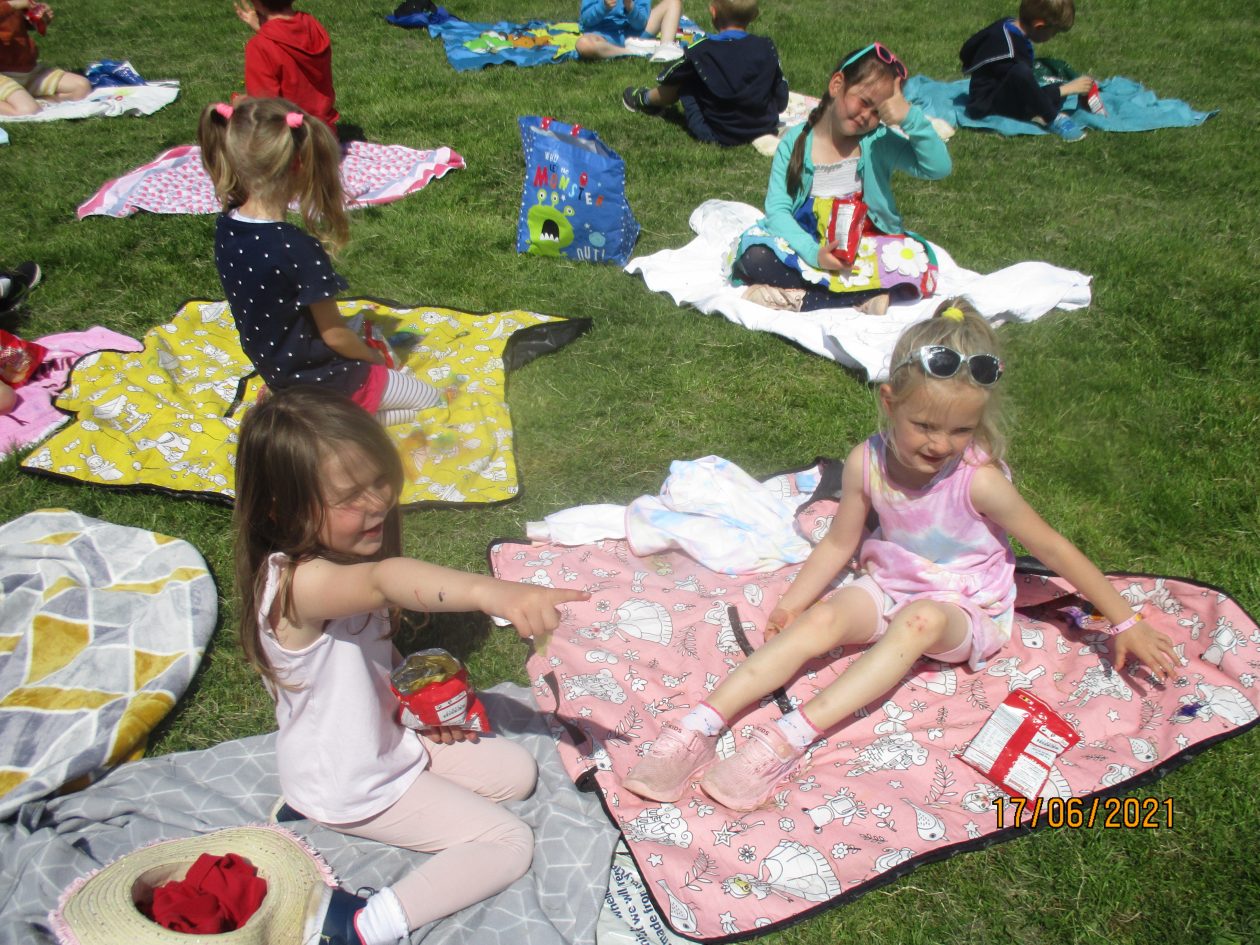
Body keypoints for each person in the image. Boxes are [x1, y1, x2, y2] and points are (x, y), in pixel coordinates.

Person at [624, 301, 1179, 812]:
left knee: (918, 623)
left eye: (961, 429)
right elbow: (841, 543)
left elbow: (1053, 546)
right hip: (891, 582)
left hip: (962, 608)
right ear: (890, 401)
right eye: (925, 425)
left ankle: (785, 740)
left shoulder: (978, 482)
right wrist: (793, 602)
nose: (940, 443)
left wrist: (1124, 619)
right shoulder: (866, 461)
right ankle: (699, 726)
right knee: (823, 618)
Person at [234, 385, 590, 945]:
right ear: (284, 508)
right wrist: (492, 594)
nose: (378, 501)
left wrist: (421, 714)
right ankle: (356, 925)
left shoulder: (341, 564)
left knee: (518, 772)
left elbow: (374, 665)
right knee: (508, 842)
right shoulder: (298, 587)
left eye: (380, 478)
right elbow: (385, 579)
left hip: (385, 748)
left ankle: (306, 809)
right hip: (353, 782)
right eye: (351, 496)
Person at [199, 98, 445, 427]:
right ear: (300, 165)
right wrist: (374, 359)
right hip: (325, 381)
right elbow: (336, 337)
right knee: (434, 402)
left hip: (280, 378)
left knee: (391, 398)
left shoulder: (227, 227)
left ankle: (331, 420)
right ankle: (340, 420)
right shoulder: (294, 247)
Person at [730, 43, 951, 316]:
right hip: (808, 243)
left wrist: (910, 119)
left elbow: (938, 167)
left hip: (861, 244)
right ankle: (857, 298)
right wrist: (814, 253)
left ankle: (800, 298)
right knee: (755, 257)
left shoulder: (878, 141)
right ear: (837, 85)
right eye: (864, 102)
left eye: (877, 113)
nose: (867, 117)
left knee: (916, 264)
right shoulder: (795, 142)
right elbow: (777, 210)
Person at [621, 0, 788, 147]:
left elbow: (669, 77)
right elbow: (781, 98)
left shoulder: (701, 50)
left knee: (686, 79)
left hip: (715, 134)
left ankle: (644, 99)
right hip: (765, 128)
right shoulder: (767, 47)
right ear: (754, 15)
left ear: (713, 12)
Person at [959, 0, 1095, 142]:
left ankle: (1048, 103)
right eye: (1053, 33)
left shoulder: (1007, 25)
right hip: (985, 105)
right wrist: (1065, 90)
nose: (1052, 37)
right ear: (1039, 26)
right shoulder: (1007, 47)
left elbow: (968, 48)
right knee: (1022, 72)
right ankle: (1053, 118)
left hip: (1002, 94)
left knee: (1050, 88)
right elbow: (1019, 79)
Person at [233, 0, 338, 130]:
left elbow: (263, 110)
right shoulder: (312, 25)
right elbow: (292, 49)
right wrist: (264, 30)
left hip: (289, 143)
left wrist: (238, 103)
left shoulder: (260, 47)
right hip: (324, 136)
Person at [0, 0, 89, 117]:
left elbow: (15, 25)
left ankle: (35, 101)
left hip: (29, 70)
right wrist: (13, 5)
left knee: (81, 87)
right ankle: (26, 102)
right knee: (27, 111)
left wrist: (38, 18)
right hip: (3, 74)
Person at [576, 0, 683, 63]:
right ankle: (635, 52)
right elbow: (585, 21)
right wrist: (603, 7)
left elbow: (641, 23)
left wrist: (630, 8)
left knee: (673, 2)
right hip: (603, 36)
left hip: (635, 34)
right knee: (583, 44)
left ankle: (666, 48)